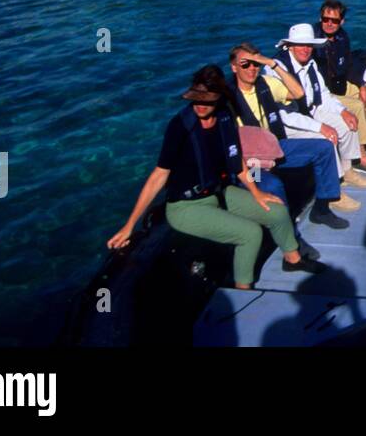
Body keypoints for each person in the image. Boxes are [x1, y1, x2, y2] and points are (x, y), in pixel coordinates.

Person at [107, 67, 324, 289]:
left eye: (208, 100)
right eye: (196, 100)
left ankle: (293, 260)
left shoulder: (224, 119)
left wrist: (257, 193)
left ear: (219, 98)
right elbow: (159, 175)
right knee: (249, 233)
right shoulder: (180, 126)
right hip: (186, 207)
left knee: (277, 211)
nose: (201, 105)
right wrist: (129, 225)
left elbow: (236, 161)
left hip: (218, 193)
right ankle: (243, 289)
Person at [225, 43, 354, 227]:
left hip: (275, 147)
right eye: (246, 64)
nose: (252, 69)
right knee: (271, 186)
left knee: (325, 147)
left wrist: (271, 63)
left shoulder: (266, 84)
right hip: (251, 160)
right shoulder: (227, 97)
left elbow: (298, 93)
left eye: (256, 64)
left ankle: (322, 209)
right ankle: (290, 232)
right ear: (234, 67)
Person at [274, 23, 366, 196]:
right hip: (290, 122)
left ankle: (347, 171)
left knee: (348, 123)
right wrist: (320, 127)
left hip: (312, 111)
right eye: (301, 45)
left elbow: (324, 95)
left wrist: (343, 111)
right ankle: (334, 187)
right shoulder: (277, 69)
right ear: (289, 46)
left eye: (309, 45)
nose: (306, 49)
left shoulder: (310, 64)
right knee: (326, 137)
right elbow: (285, 116)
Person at [314, 0, 366, 172]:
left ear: (341, 21)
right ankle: (361, 158)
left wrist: (362, 85)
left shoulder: (342, 37)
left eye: (334, 21)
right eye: (325, 19)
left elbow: (348, 64)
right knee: (357, 106)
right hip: (325, 92)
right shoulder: (312, 39)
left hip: (341, 84)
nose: (329, 24)